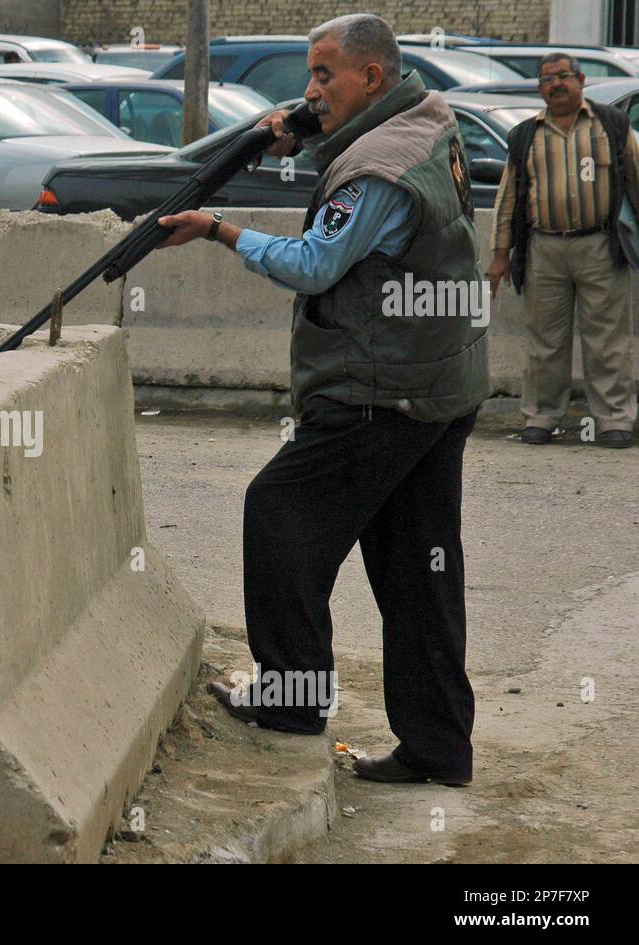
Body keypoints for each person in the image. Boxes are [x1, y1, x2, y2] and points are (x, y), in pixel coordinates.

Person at [157, 14, 489, 785]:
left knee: (278, 513)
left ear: (371, 77)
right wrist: (304, 131)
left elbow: (315, 263)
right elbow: (364, 154)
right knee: (420, 569)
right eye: (308, 76)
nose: (309, 89)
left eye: (323, 76)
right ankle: (439, 750)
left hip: (382, 390)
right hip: (438, 380)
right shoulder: (424, 114)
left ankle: (292, 699)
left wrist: (217, 229)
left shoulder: (380, 166)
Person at [487, 54, 638, 449]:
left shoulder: (612, 125)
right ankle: (541, 417)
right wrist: (501, 254)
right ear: (540, 88)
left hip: (600, 247)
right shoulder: (525, 136)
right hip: (545, 248)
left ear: (581, 80)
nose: (556, 84)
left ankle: (614, 421)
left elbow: (637, 182)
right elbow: (507, 200)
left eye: (564, 76)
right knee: (545, 343)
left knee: (607, 340)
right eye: (548, 78)